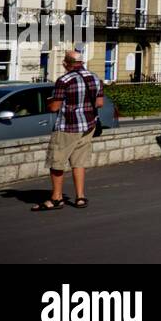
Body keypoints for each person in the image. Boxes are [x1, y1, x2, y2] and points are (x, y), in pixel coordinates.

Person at [33, 49, 104, 211]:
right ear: (82, 63)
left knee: (57, 162)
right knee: (79, 162)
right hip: (88, 125)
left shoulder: (64, 80)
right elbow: (99, 103)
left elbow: (55, 107)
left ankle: (57, 198)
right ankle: (80, 197)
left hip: (68, 126)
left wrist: (50, 102)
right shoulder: (94, 77)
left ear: (66, 64)